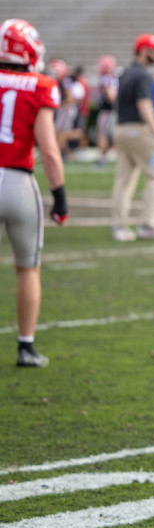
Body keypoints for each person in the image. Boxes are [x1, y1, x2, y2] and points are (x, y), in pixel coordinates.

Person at [0, 19, 68, 368]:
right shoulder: (40, 85)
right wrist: (60, 196)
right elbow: (50, 149)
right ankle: (26, 346)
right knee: (28, 268)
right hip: (17, 181)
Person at [110, 33, 154, 242]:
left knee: (124, 180)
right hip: (138, 130)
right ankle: (148, 224)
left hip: (121, 129)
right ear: (145, 51)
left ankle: (119, 225)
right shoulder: (143, 75)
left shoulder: (126, 72)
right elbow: (144, 105)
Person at [94, 54, 118, 165]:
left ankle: (101, 157)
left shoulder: (106, 78)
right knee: (110, 134)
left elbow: (110, 97)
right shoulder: (113, 77)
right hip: (112, 110)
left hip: (108, 110)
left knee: (102, 133)